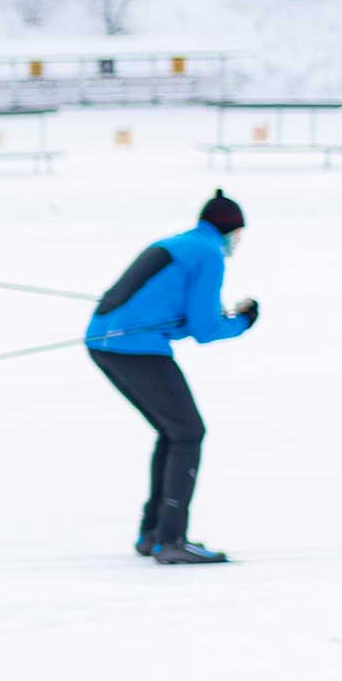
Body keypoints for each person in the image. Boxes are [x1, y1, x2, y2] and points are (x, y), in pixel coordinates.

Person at [84, 189, 259, 565]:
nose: (236, 244)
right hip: (134, 348)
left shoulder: (181, 243)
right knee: (188, 432)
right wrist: (243, 321)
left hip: (106, 342)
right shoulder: (210, 255)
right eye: (238, 236)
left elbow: (177, 316)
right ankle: (170, 539)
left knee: (174, 432)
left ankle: (154, 534)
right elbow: (205, 329)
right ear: (229, 230)